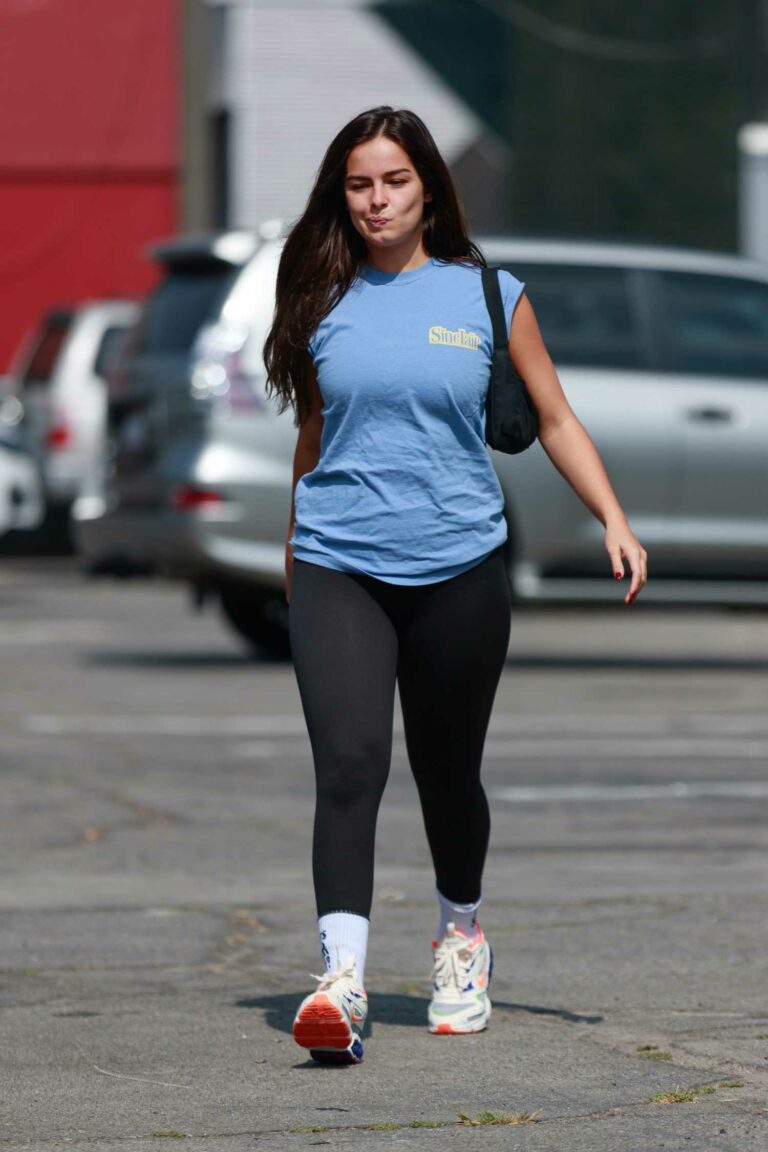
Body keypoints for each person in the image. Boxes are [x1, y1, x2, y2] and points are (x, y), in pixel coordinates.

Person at [263, 106, 648, 1066]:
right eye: (358, 185)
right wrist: (295, 545)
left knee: (446, 774)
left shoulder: (486, 294)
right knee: (349, 764)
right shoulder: (319, 295)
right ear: (340, 196)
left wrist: (614, 516)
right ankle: (341, 983)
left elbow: (554, 418)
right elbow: (315, 438)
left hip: (459, 567)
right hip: (339, 562)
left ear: (427, 185)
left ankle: (461, 939)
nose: (377, 200)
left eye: (393, 181)